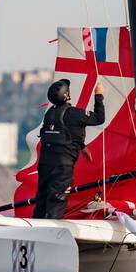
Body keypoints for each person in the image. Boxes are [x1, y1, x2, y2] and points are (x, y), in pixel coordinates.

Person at [33, 78, 106, 219]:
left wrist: (82, 147)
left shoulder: (49, 114)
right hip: (62, 167)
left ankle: (34, 230)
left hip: (45, 163)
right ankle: (50, 234)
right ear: (67, 95)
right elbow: (99, 118)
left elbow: (66, 133)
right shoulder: (75, 113)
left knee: (42, 200)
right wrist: (99, 95)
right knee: (57, 201)